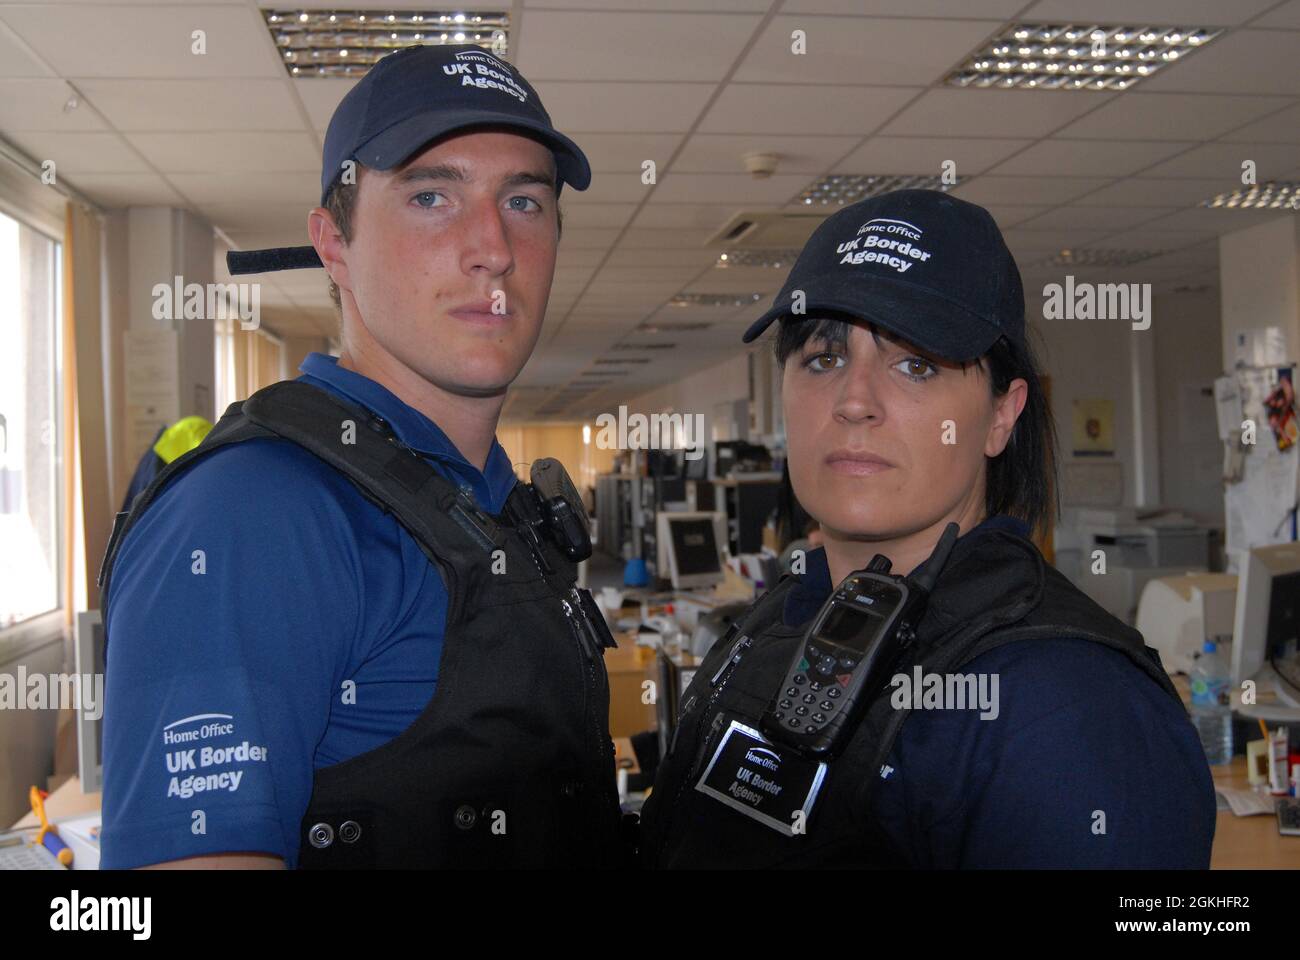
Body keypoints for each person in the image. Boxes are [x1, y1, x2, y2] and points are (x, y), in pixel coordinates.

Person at [98, 44, 623, 869]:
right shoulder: (255, 515)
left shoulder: (493, 506)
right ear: (332, 245)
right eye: (429, 196)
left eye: (524, 200)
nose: (492, 247)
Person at [640, 189, 1216, 869]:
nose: (854, 401)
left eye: (916, 364)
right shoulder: (776, 624)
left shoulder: (1067, 708)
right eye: (823, 358)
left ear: (1004, 414)